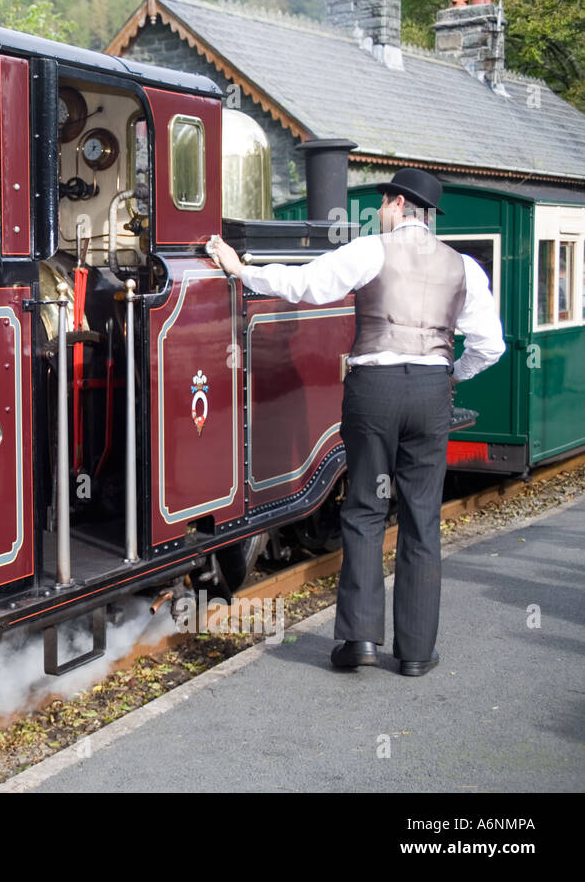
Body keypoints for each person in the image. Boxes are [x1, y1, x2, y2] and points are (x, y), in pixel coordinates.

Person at [211, 168, 505, 676]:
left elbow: (305, 285)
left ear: (394, 204)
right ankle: (415, 654)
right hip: (433, 391)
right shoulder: (464, 268)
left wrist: (241, 270)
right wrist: (452, 374)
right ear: (427, 215)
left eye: (383, 206)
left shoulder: (372, 251)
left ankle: (359, 642)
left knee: (367, 508)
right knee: (421, 519)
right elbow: (491, 347)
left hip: (374, 391)